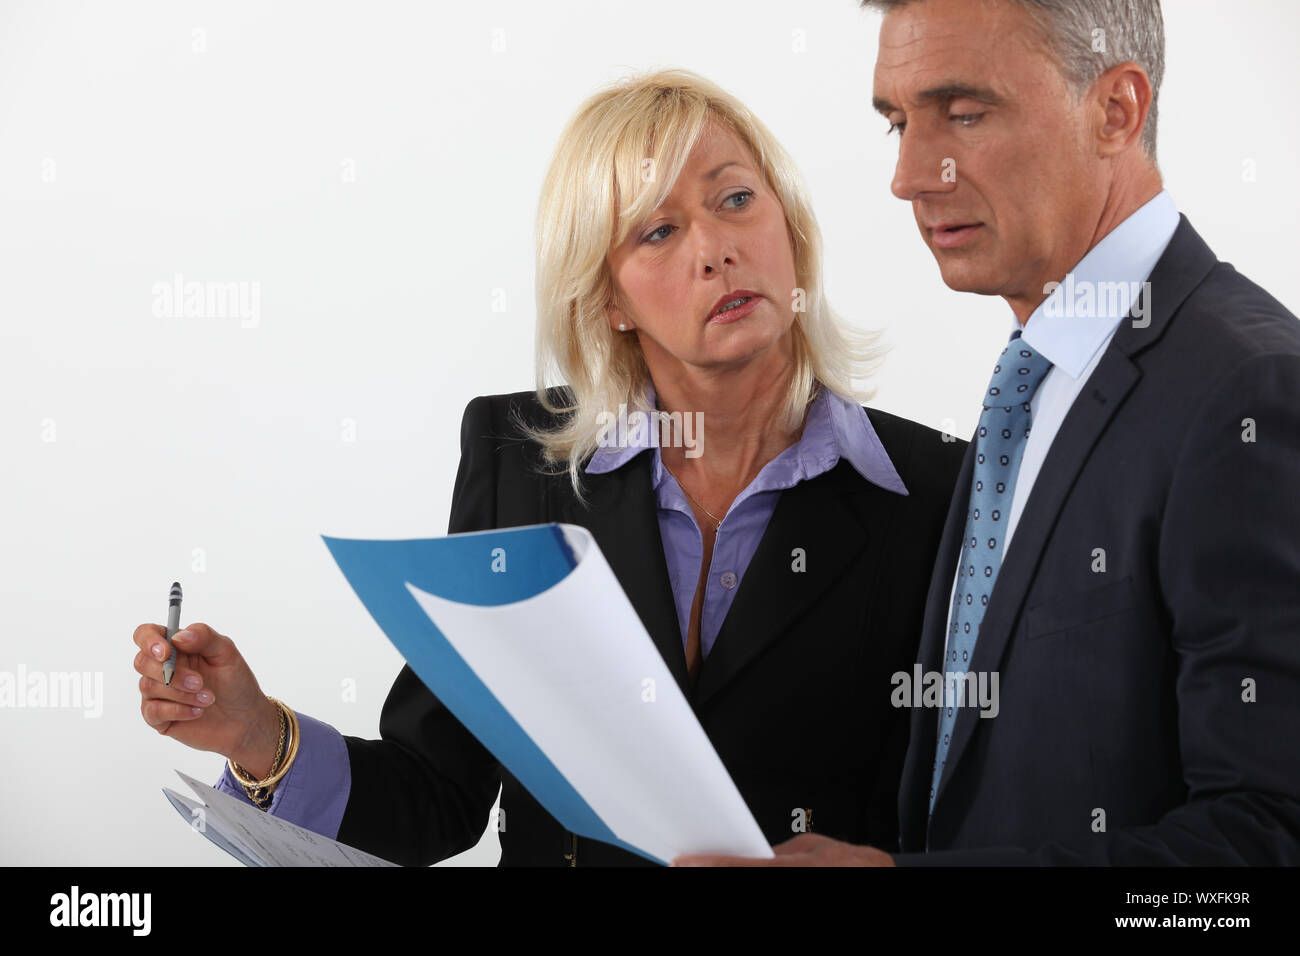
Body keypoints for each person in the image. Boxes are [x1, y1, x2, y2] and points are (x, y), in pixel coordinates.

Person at [132, 68, 967, 866]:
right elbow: (439, 791)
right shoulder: (517, 464)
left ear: (789, 224)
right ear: (608, 296)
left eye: (736, 199)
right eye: (658, 230)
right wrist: (255, 735)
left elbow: (968, 815)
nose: (714, 249)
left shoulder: (937, 490)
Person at [675, 0, 1300, 867]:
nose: (907, 175)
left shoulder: (1250, 390)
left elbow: (1266, 845)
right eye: (897, 121)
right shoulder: (1035, 373)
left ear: (1117, 109)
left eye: (963, 113)